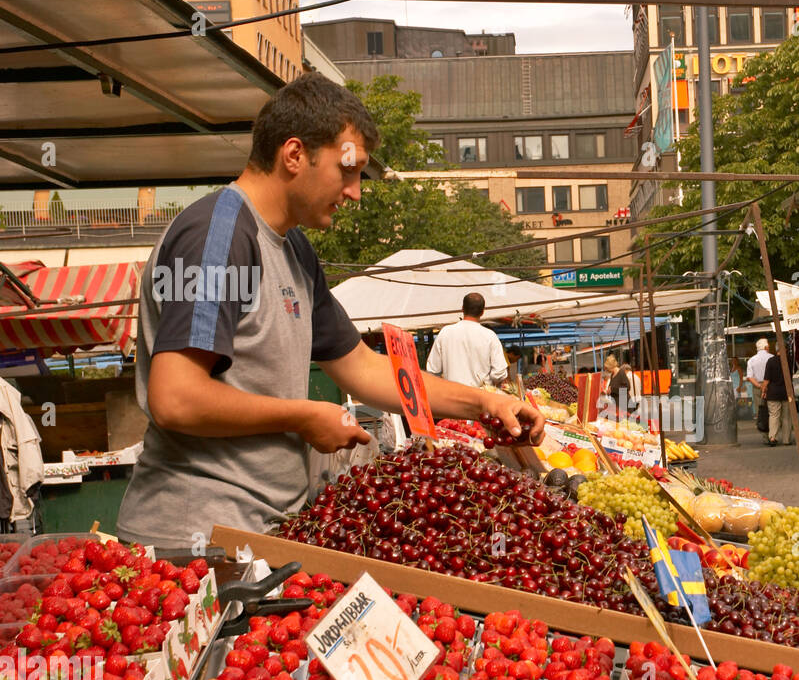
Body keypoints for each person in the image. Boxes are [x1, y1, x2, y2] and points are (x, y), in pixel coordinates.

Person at [116, 73, 542, 549]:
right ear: (295, 155)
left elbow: (362, 367)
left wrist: (484, 402)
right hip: (197, 545)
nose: (356, 191)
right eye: (349, 170)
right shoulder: (218, 237)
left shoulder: (294, 249)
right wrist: (302, 416)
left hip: (267, 533)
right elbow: (176, 398)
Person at [425, 292, 509, 388]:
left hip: (452, 396)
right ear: (482, 312)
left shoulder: (445, 332)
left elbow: (432, 370)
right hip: (480, 397)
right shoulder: (490, 336)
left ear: (462, 308)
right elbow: (499, 373)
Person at [760, 347, 794, 446]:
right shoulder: (790, 360)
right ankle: (786, 439)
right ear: (785, 350)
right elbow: (794, 372)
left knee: (774, 415)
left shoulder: (771, 361)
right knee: (786, 417)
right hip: (787, 392)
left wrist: (763, 390)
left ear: (776, 349)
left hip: (773, 393)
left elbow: (766, 379)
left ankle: (773, 437)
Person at [746, 339, 773, 433]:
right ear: (766, 347)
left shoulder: (751, 360)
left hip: (757, 387)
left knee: (760, 410)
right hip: (770, 386)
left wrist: (759, 385)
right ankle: (772, 433)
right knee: (772, 410)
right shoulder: (772, 357)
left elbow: (749, 377)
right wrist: (765, 385)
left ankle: (764, 433)